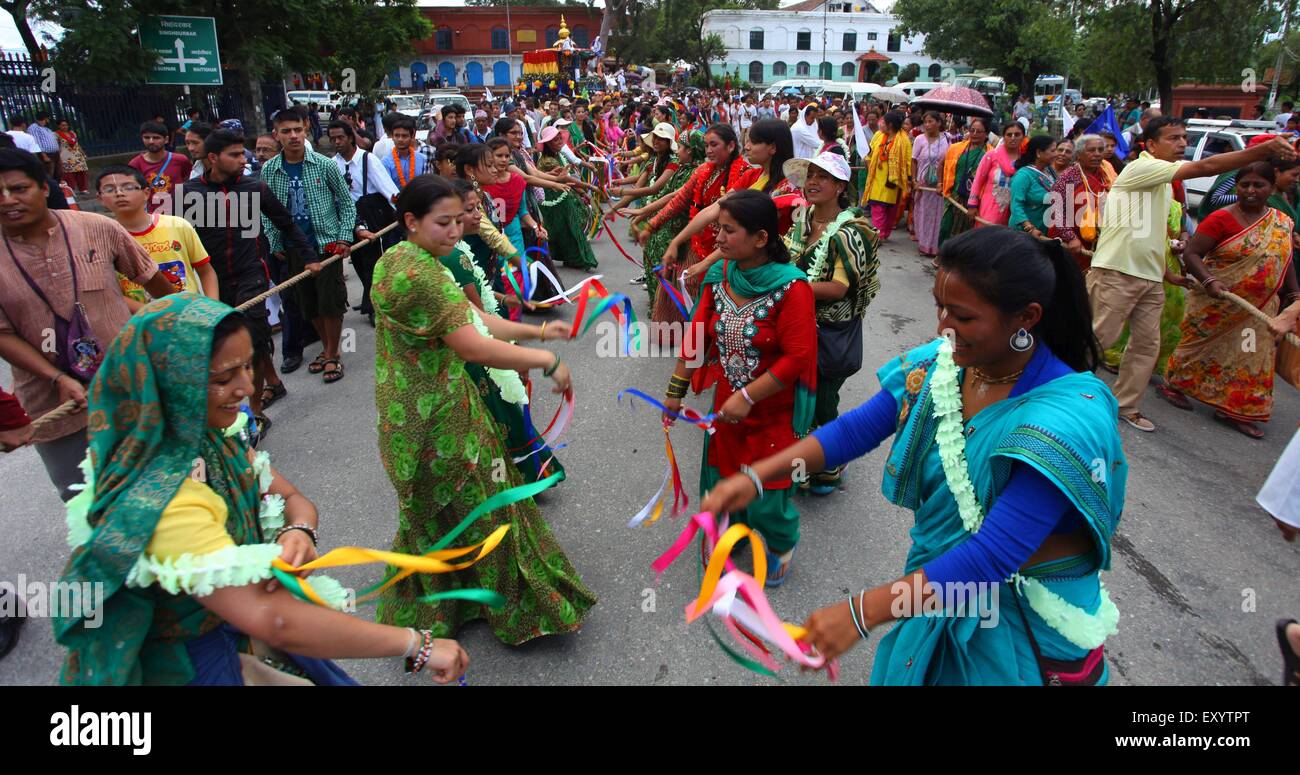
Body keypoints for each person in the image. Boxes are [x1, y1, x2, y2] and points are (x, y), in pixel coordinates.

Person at [702, 227, 1126, 685]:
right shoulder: (942, 362)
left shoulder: (1064, 421)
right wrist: (758, 476)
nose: (943, 326)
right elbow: (856, 430)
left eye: (962, 316)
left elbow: (992, 558)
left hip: (1021, 627)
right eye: (939, 306)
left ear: (1026, 317)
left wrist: (863, 612)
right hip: (937, 588)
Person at [53, 294, 470, 684]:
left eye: (249, 366)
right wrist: (417, 644)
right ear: (168, 382)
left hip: (245, 629)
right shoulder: (160, 493)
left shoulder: (206, 435)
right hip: (196, 661)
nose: (249, 389)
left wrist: (299, 531)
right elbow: (274, 619)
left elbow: (292, 499)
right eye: (223, 377)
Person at [372, 174, 596, 643]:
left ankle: (445, 605)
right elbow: (474, 345)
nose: (456, 231)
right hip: (440, 416)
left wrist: (537, 332)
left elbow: (477, 320)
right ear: (411, 220)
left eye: (460, 220)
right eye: (444, 222)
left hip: (404, 412)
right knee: (482, 510)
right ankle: (516, 607)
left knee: (437, 511)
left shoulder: (394, 257)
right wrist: (547, 359)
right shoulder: (424, 274)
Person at [1088, 116, 1296, 432]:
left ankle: (1125, 406)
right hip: (1118, 272)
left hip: (1150, 278)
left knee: (1146, 347)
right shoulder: (1140, 169)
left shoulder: (1162, 184)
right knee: (1097, 342)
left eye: (1184, 137)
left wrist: (1167, 273)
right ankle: (1066, 398)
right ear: (1151, 145)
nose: (1183, 143)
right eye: (1174, 138)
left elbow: (1151, 232)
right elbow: (1201, 169)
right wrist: (1261, 151)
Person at [0, 148, 176, 501]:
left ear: (43, 188)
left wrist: (180, 324)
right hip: (54, 402)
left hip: (130, 382)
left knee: (161, 483)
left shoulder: (97, 228)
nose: (7, 201)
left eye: (18, 189)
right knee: (85, 497)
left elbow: (154, 281)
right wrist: (58, 378)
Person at [662, 191, 815, 586]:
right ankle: (728, 530)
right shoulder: (720, 276)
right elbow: (696, 339)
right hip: (726, 406)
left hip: (771, 412)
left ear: (761, 238)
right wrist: (675, 392)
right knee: (724, 476)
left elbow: (798, 357)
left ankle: (781, 543)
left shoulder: (792, 288)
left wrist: (748, 397)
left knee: (768, 493)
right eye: (718, 229)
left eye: (728, 231)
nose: (718, 239)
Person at [1157, 161, 1300, 439]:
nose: (1250, 190)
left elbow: (1285, 260)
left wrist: (1293, 294)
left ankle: (1235, 407)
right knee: (1199, 349)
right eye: (1244, 184)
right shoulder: (1221, 218)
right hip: (1218, 303)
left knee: (1249, 354)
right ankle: (1175, 384)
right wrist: (1209, 281)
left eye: (1258, 185)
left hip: (1259, 310)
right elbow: (1193, 254)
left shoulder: (1280, 222)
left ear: (1271, 188)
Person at [440, 178, 567, 484]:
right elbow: (477, 322)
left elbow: (476, 303)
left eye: (478, 208)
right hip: (474, 356)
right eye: (470, 210)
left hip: (474, 344)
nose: (478, 216)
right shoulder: (452, 258)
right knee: (503, 416)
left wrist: (504, 299)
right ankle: (511, 481)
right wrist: (536, 351)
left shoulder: (456, 252)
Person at [186, 128, 312, 429]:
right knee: (230, 340)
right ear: (213, 158)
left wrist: (310, 258)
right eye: (235, 155)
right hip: (212, 279)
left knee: (254, 337)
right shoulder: (190, 193)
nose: (244, 160)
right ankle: (273, 382)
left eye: (244, 153)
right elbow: (181, 239)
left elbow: (286, 223)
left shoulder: (255, 189)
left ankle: (255, 411)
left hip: (251, 274)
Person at [782, 152, 880, 495]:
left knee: (822, 402)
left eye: (823, 177)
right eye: (810, 174)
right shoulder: (802, 218)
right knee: (797, 402)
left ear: (840, 187)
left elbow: (839, 288)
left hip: (830, 333)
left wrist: (786, 288)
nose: (813, 181)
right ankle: (802, 467)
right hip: (796, 326)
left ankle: (828, 466)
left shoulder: (851, 231)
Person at [260, 108, 357, 385]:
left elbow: (346, 203)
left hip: (326, 244)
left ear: (306, 131)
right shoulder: (270, 169)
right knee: (307, 304)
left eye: (298, 130)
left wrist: (343, 238)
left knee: (331, 301)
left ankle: (333, 353)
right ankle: (328, 348)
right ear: (277, 135)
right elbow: (265, 212)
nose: (293, 136)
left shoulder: (325, 165)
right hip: (292, 247)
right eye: (286, 131)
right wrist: (275, 240)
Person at [94, 164, 220, 307]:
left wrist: (213, 308)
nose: (119, 193)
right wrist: (153, 315)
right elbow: (110, 292)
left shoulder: (178, 225)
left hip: (189, 316)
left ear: (146, 193)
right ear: (100, 199)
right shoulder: (101, 241)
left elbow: (205, 271)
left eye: (128, 187)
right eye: (109, 189)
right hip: (141, 324)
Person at [329, 120, 399, 325]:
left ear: (350, 137)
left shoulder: (368, 160)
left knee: (374, 265)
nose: (337, 142)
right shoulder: (332, 164)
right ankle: (371, 300)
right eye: (333, 139)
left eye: (340, 137)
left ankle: (376, 307)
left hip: (374, 217)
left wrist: (403, 213)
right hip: (349, 219)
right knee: (359, 263)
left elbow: (389, 191)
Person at [636, 131, 705, 319]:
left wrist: (644, 214)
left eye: (680, 147)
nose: (678, 151)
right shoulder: (682, 168)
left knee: (678, 273)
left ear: (690, 151)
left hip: (685, 230)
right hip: (671, 224)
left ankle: (680, 314)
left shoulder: (696, 171)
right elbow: (667, 195)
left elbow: (675, 198)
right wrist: (646, 216)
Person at [1049, 134, 1110, 272]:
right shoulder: (1069, 176)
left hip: (1097, 242)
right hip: (1071, 242)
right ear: (1079, 154)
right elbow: (1055, 210)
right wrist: (1071, 238)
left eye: (1100, 150)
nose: (1097, 154)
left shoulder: (1105, 175)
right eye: (1091, 150)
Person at [938, 118, 993, 248]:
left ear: (986, 134)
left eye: (979, 131)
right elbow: (941, 165)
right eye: (972, 130)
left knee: (965, 233)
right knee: (946, 228)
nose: (974, 134)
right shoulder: (956, 148)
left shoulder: (991, 154)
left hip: (974, 202)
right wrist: (940, 184)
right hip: (953, 196)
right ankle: (942, 255)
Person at [864, 111, 912, 241]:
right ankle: (878, 235)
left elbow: (908, 161)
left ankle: (884, 233)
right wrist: (869, 165)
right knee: (877, 207)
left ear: (890, 125)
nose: (880, 124)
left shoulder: (903, 140)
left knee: (890, 209)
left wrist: (908, 178)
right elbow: (869, 153)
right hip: (876, 179)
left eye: (883, 122)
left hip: (893, 181)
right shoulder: (878, 136)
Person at [966, 120, 1024, 228]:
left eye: (1017, 135)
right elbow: (978, 181)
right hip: (989, 208)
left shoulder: (1025, 161)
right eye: (1009, 134)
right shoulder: (991, 156)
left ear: (1023, 137)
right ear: (1003, 136)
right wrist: (972, 205)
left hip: (1012, 211)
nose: (1013, 138)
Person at [129, 121, 193, 213]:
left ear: (166, 139)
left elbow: (189, 181)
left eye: (156, 138)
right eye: (147, 137)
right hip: (154, 216)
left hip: (181, 213)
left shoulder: (181, 160)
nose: (151, 141)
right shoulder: (135, 164)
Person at [911, 111, 950, 258]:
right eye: (925, 122)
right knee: (924, 213)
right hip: (923, 183)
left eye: (931, 121)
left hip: (940, 184)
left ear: (939, 123)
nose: (927, 125)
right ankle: (925, 244)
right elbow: (913, 160)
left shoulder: (947, 138)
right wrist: (914, 180)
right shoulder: (919, 139)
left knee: (938, 214)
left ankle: (936, 245)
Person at [1009, 135, 1059, 239]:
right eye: (1053, 151)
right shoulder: (1023, 176)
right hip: (1023, 234)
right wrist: (1030, 228)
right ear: (1039, 153)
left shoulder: (1050, 171)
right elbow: (1016, 205)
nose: (1056, 154)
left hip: (1044, 231)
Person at [55, 119, 89, 195]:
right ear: (59, 126)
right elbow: (56, 147)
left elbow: (77, 144)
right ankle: (71, 190)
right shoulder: (56, 134)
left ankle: (83, 189)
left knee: (81, 172)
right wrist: (58, 157)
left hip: (77, 155)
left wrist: (83, 153)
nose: (65, 127)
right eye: (62, 125)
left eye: (66, 125)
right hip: (66, 156)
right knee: (68, 174)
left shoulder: (72, 133)